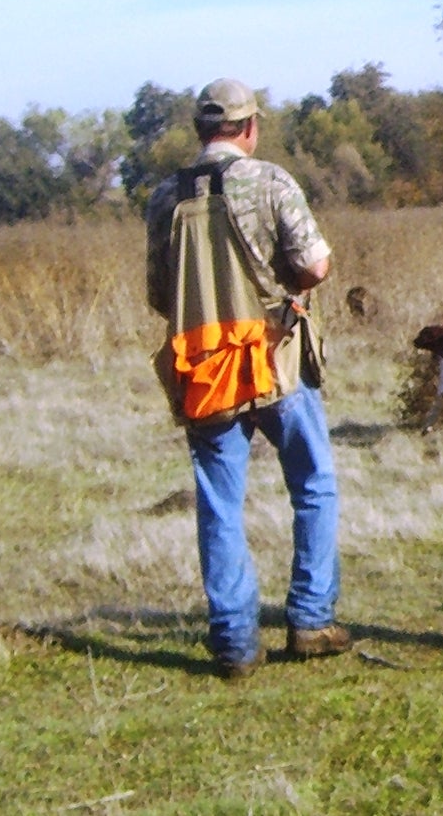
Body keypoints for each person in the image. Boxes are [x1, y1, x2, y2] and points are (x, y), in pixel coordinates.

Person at [144, 78, 346, 678]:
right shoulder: (271, 180)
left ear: (201, 130)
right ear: (250, 128)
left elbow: (160, 294)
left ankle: (234, 642)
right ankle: (310, 621)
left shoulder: (164, 197)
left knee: (218, 502)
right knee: (312, 484)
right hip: (273, 356)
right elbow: (314, 265)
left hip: (204, 366)